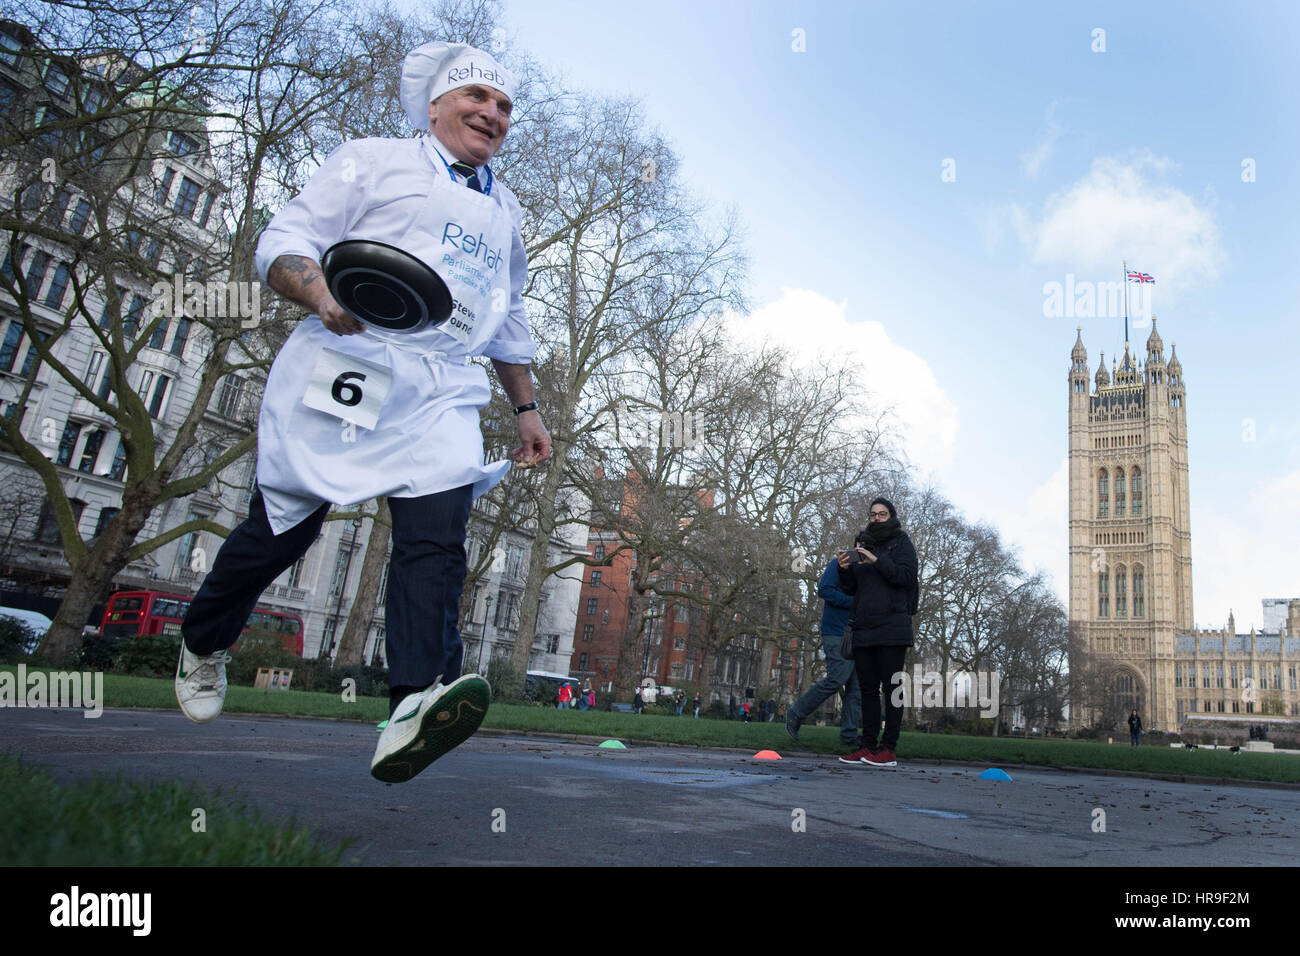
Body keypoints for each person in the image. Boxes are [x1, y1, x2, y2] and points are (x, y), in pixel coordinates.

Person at [173, 42, 550, 784]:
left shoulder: (505, 211)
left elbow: (506, 321)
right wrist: (319, 295)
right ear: (436, 105)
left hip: (441, 382)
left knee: (436, 536)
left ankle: (411, 708)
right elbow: (282, 241)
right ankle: (203, 640)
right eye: (477, 97)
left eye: (505, 107)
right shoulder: (371, 159)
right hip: (351, 358)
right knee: (284, 529)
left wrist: (527, 407)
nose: (493, 114)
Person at [836, 498, 918, 768]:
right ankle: (867, 746)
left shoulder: (902, 543)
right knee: (867, 690)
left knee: (892, 688)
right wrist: (844, 569)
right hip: (864, 627)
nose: (876, 518)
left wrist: (877, 559)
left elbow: (905, 577)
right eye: (873, 514)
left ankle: (888, 749)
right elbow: (851, 589)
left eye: (882, 514)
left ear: (892, 516)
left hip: (893, 627)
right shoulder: (862, 543)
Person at [786, 552, 864, 751]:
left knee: (856, 688)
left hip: (860, 635)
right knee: (837, 678)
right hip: (836, 631)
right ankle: (796, 712)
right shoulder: (838, 564)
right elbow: (824, 590)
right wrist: (853, 603)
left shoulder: (869, 572)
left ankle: (849, 736)